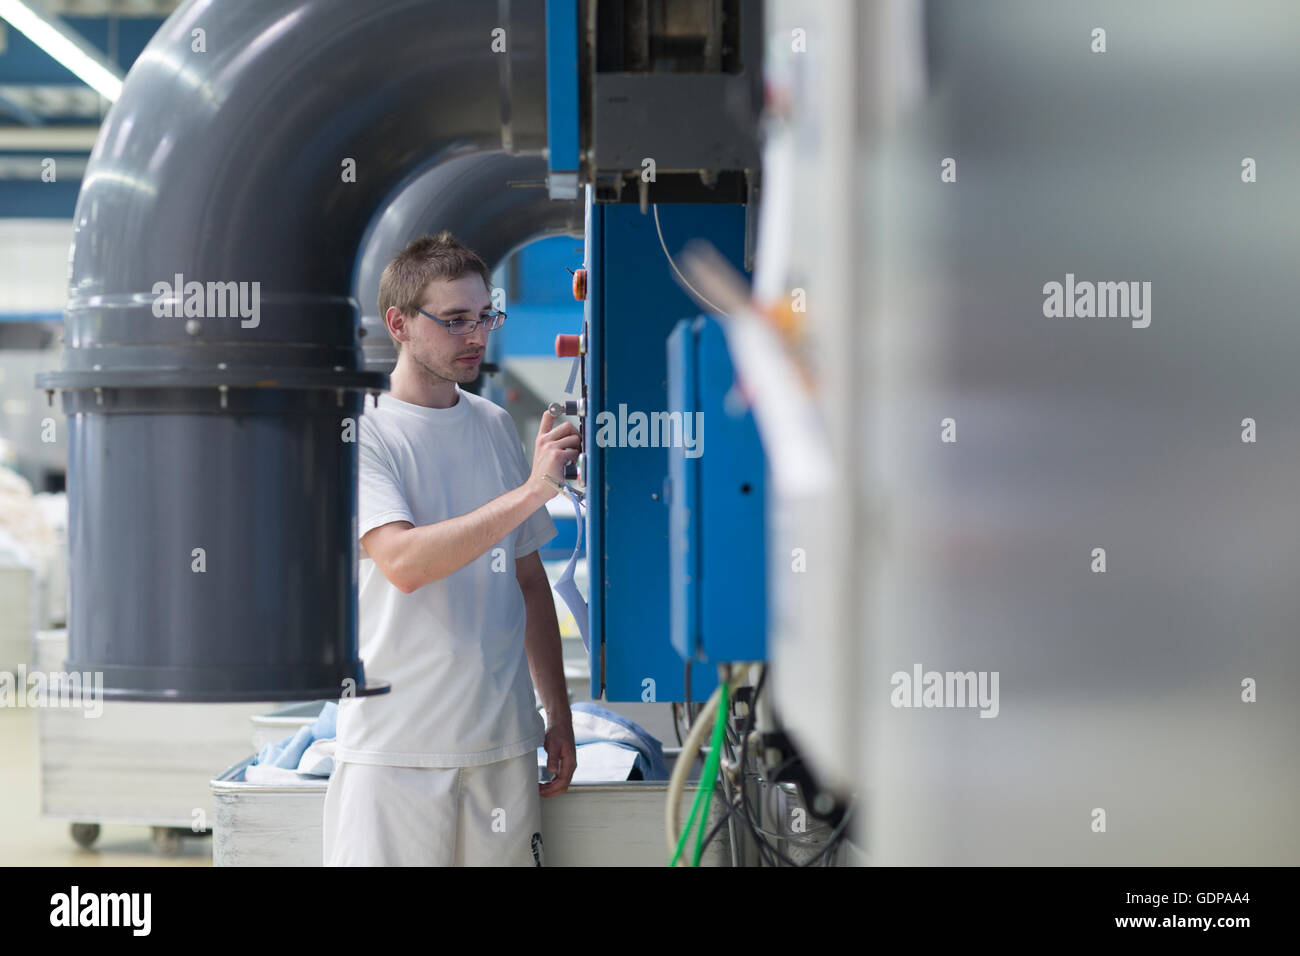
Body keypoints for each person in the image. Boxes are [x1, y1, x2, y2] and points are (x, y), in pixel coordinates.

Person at [323, 232, 579, 866]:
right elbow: (405, 563)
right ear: (399, 324)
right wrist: (533, 491)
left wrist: (557, 712)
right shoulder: (365, 430)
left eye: (485, 317)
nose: (477, 336)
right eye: (456, 320)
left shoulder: (492, 425)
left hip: (501, 747)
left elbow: (527, 582)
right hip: (396, 752)